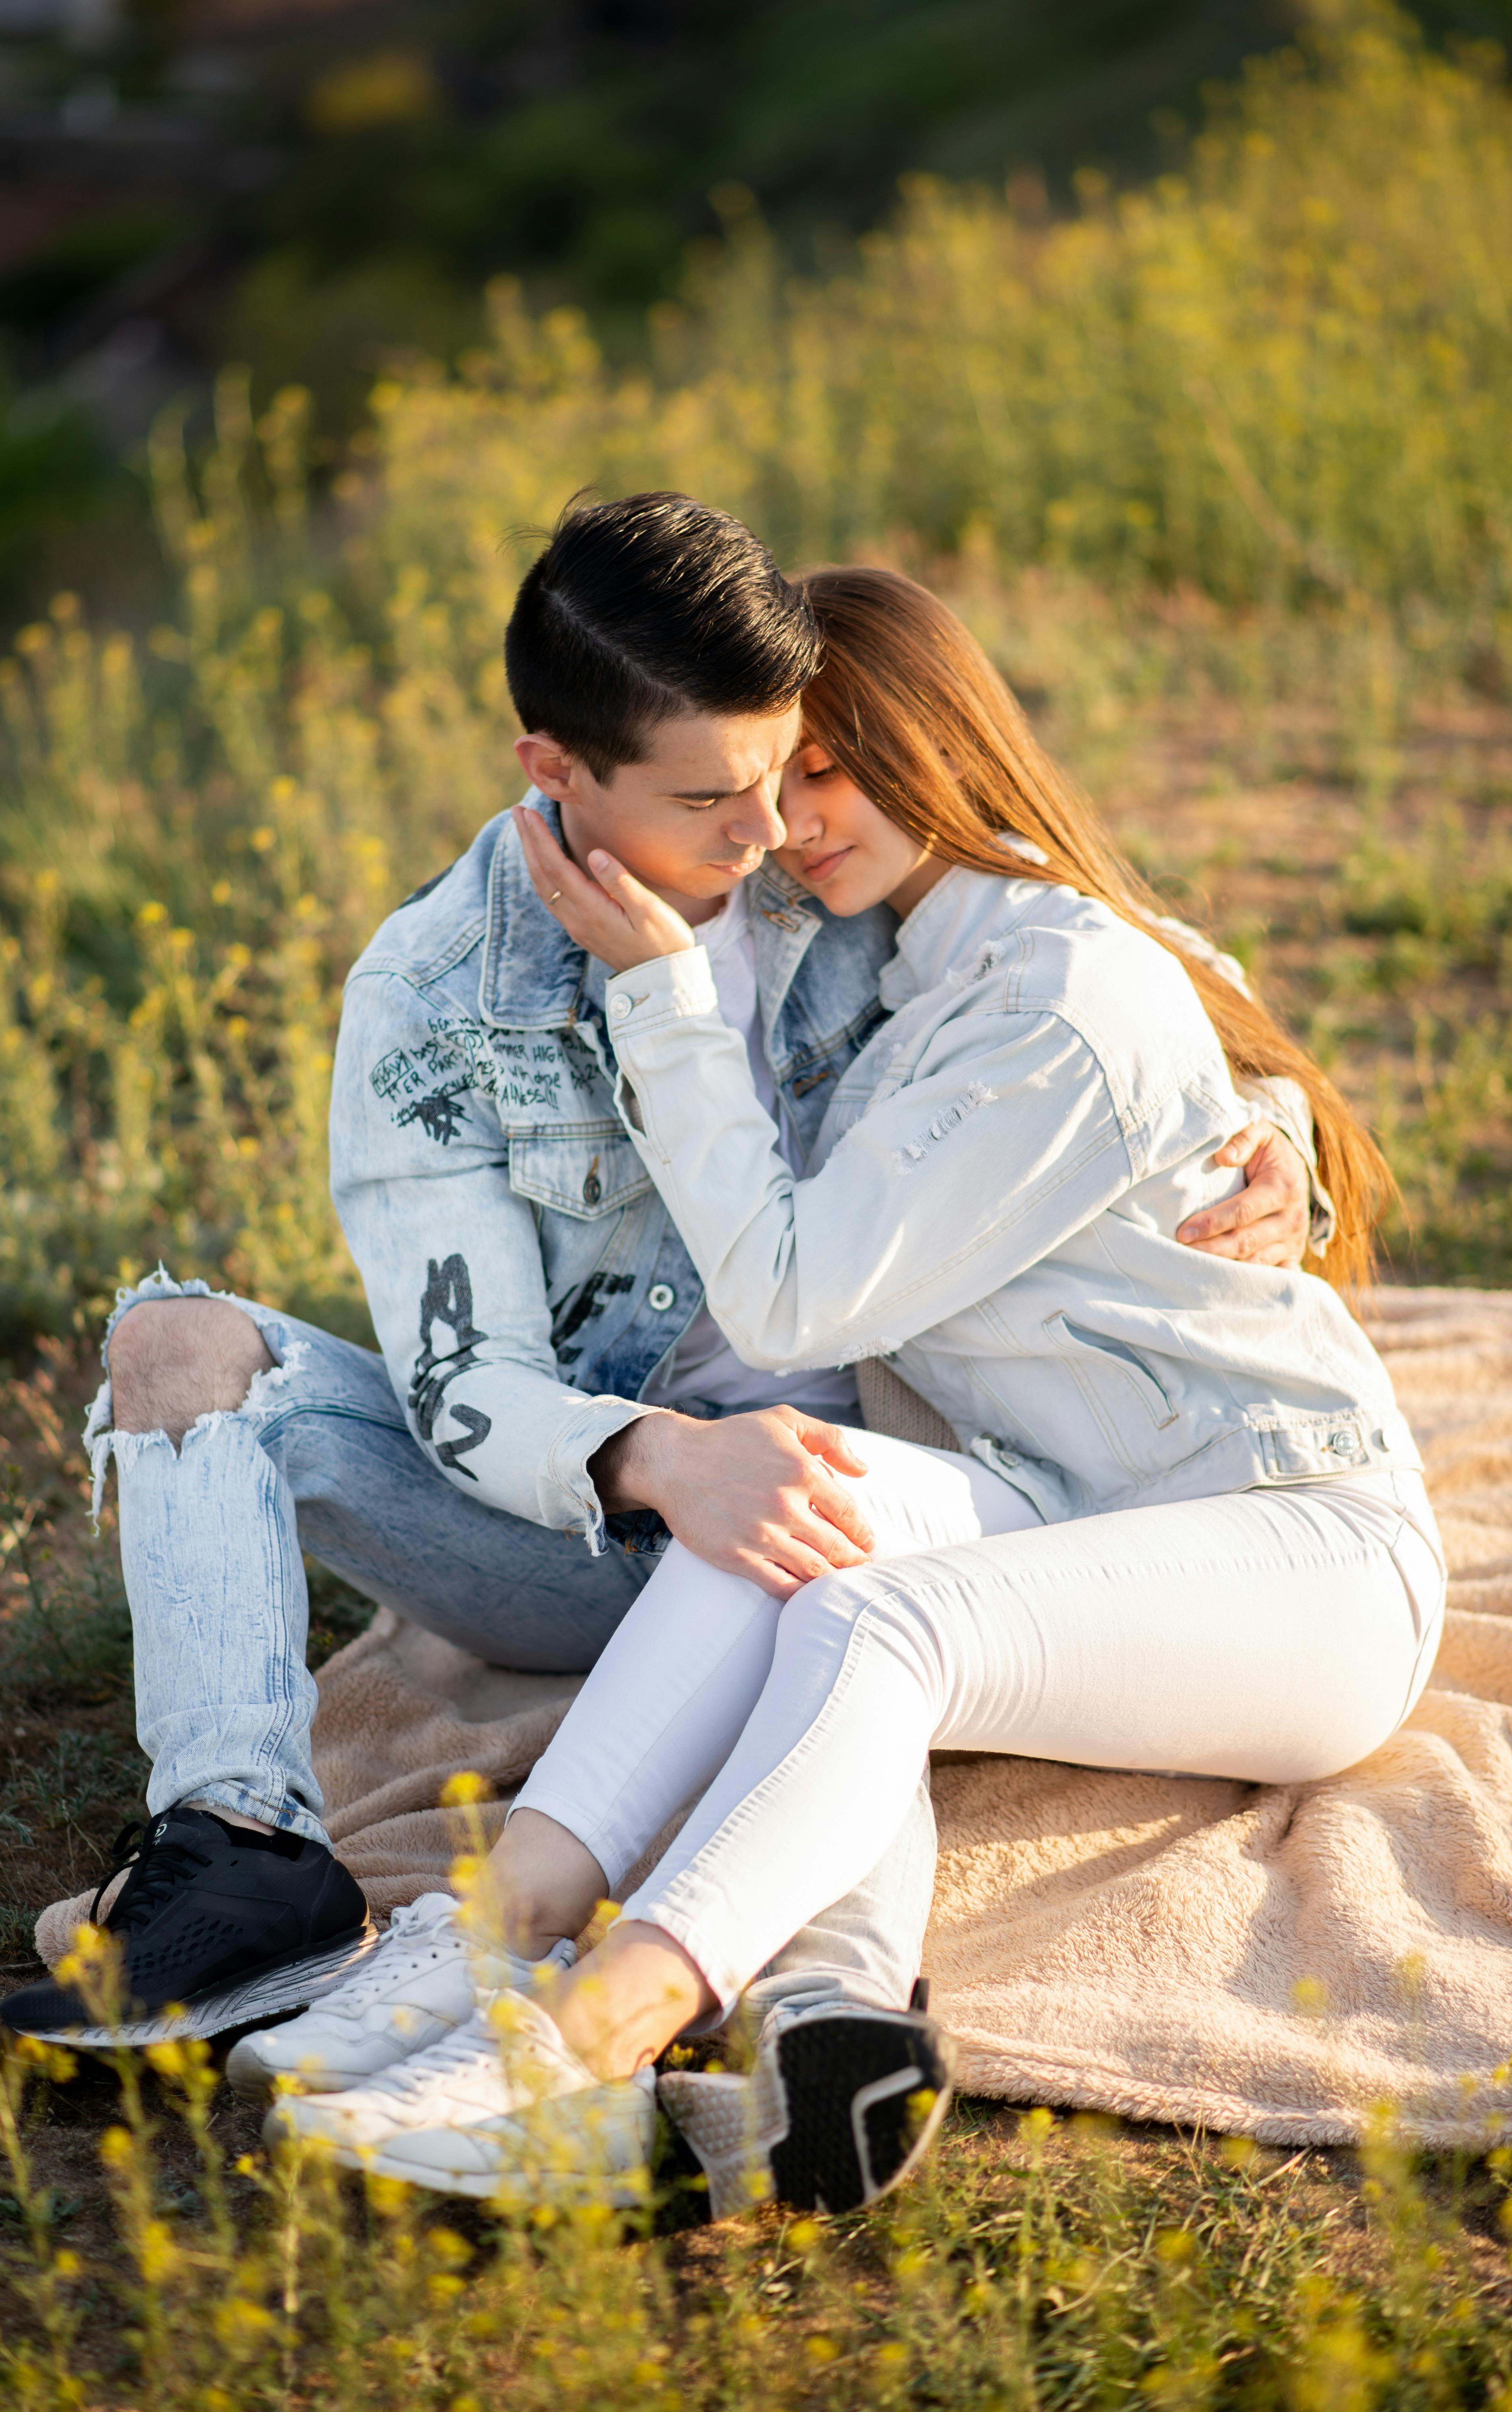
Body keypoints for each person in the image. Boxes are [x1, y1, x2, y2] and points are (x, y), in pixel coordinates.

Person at [0, 499, 1312, 2195]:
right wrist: (654, 1457)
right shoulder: (435, 996)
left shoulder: (829, 854)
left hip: (906, 1489)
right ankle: (245, 1852)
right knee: (176, 1344)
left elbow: (1125, 967)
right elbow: (463, 1388)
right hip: (581, 1536)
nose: (768, 828)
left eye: (781, 772)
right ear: (555, 769)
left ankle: (813, 2016)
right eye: (707, 799)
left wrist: (1267, 1134)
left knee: (829, 1557)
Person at [264, 566, 1444, 2220]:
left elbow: (791, 1291)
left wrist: (654, 993)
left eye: (826, 770)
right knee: (792, 1491)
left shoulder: (1050, 1000)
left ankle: (583, 2047)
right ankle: (498, 1932)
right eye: (770, 775)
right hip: (1062, 1501)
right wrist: (1250, 1098)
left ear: (936, 748)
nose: (784, 824)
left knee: (878, 1624)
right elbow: (1163, 948)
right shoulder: (910, 955)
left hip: (1291, 1544)